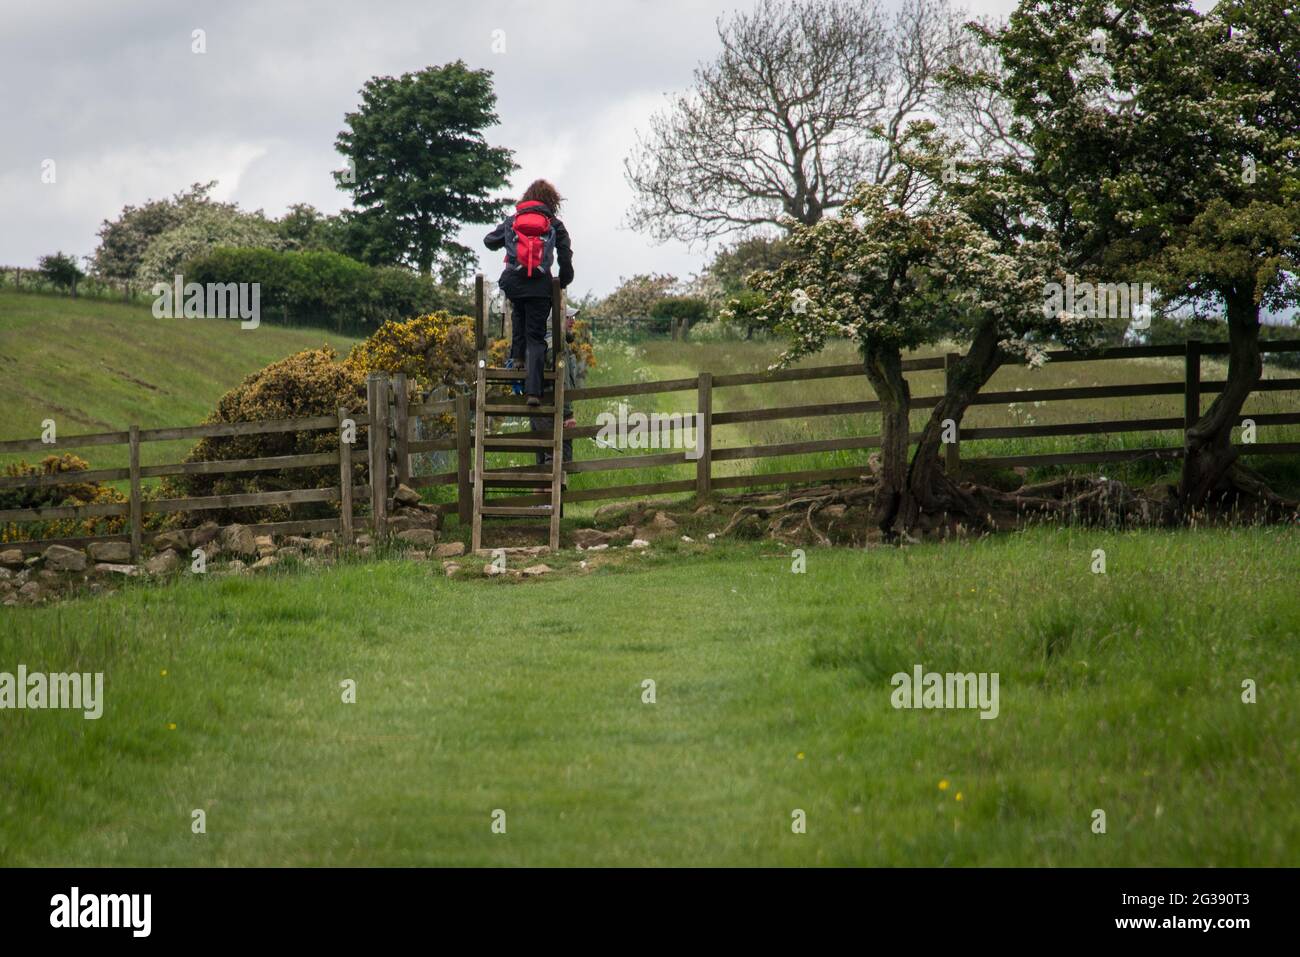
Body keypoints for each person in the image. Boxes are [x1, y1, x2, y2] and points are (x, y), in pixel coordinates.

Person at [483, 179, 574, 406]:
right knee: (536, 336)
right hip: (541, 286)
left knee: (518, 313)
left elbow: (489, 241)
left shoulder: (513, 220)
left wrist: (508, 240)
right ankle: (533, 392)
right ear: (551, 202)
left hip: (514, 282)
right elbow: (565, 255)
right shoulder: (554, 223)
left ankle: (517, 358)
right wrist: (563, 281)